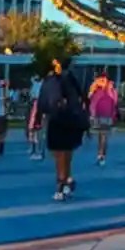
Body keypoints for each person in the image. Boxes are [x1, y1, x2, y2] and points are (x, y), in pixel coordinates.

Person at [41, 57, 86, 201]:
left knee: (59, 155)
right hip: (71, 120)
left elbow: (45, 101)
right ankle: (66, 180)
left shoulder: (54, 81)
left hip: (59, 119)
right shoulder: (72, 79)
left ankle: (61, 184)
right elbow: (81, 97)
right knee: (66, 153)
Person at [88, 70, 118, 166]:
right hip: (108, 112)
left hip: (98, 112)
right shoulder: (111, 87)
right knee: (104, 135)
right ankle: (102, 155)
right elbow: (115, 100)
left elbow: (90, 97)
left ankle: (100, 154)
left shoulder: (96, 86)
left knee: (101, 134)